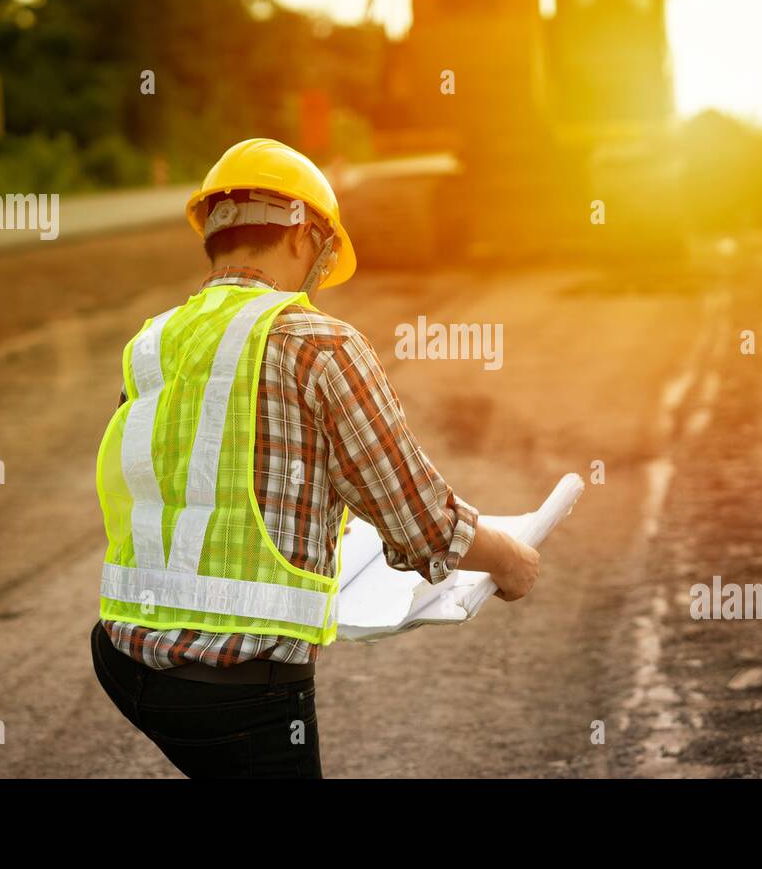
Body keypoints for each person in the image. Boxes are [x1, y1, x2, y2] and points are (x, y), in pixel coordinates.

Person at [89, 138, 540, 778]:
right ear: (302, 234)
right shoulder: (320, 343)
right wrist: (510, 559)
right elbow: (423, 523)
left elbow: (192, 478)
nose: (318, 281)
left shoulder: (155, 338)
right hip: (237, 688)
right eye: (323, 259)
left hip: (122, 656)